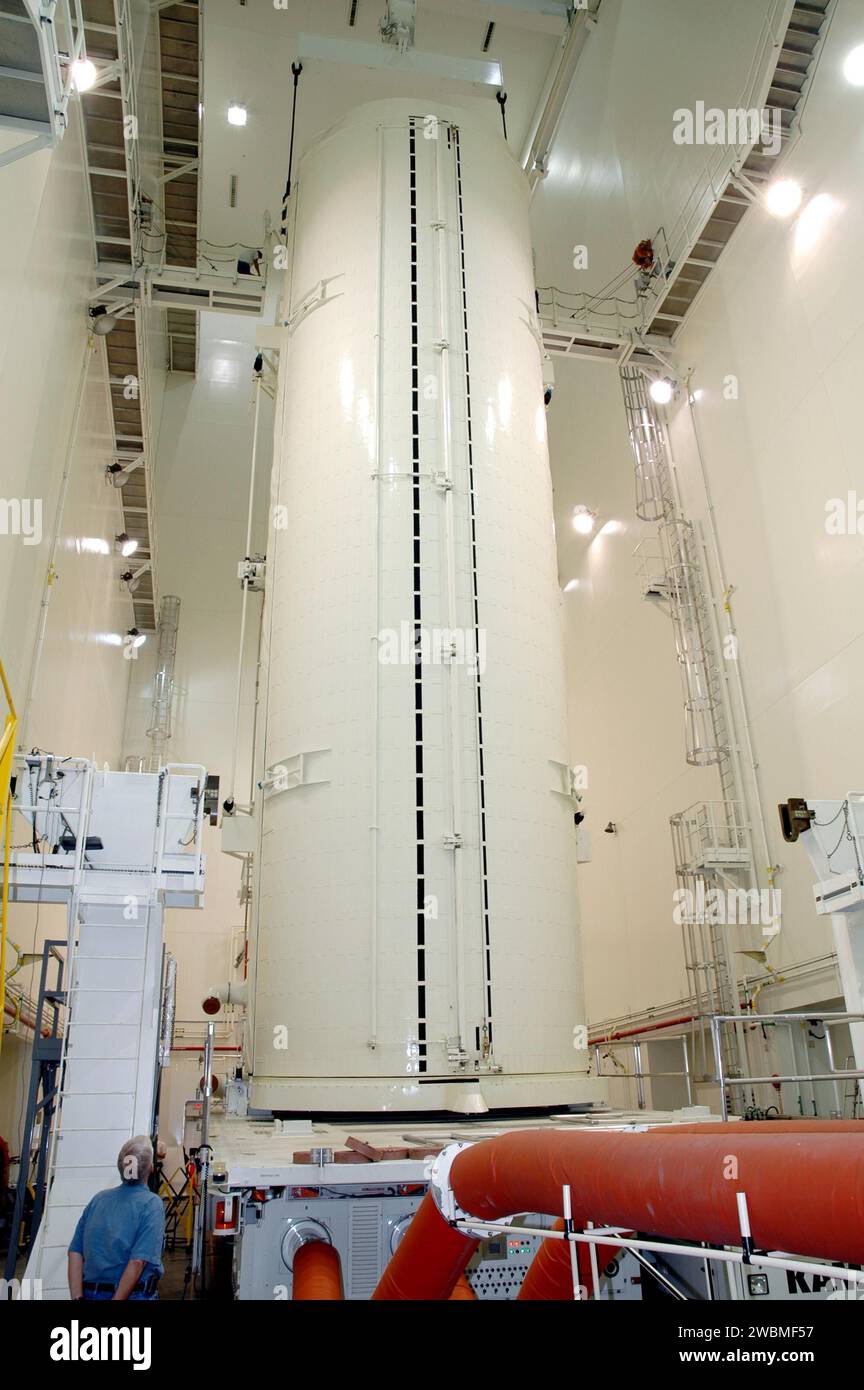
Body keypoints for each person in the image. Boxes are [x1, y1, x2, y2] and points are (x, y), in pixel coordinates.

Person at [67, 1135, 165, 1301]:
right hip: (131, 1294)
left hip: (90, 1293)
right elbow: (137, 1262)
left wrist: (77, 1297)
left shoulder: (99, 1199)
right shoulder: (151, 1204)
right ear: (151, 1168)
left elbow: (75, 1252)